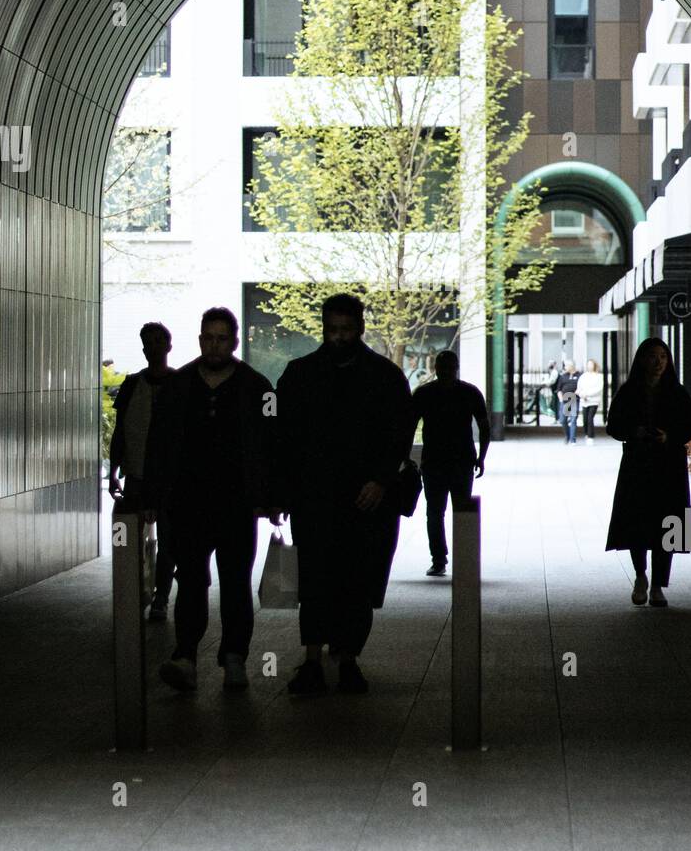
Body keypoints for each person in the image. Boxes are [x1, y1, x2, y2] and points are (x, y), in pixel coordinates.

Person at [275, 294, 414, 695]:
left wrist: (381, 478)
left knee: (347, 580)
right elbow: (285, 437)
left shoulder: (302, 374)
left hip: (330, 495)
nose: (338, 338)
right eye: (333, 330)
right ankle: (332, 659)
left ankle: (328, 659)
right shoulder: (383, 376)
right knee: (327, 579)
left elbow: (399, 434)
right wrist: (380, 479)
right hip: (339, 497)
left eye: (345, 331)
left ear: (359, 329)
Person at [143, 306, 279, 693]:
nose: (214, 344)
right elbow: (159, 443)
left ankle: (233, 657)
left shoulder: (256, 387)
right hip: (187, 503)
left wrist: (270, 497)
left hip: (236, 505)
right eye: (208, 337)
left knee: (235, 583)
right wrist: (153, 495)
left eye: (221, 338)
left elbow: (270, 445)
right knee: (190, 581)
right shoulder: (179, 386)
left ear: (234, 342)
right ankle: (186, 653)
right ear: (200, 339)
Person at [605, 338, 691, 608]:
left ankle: (658, 584)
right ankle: (640, 576)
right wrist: (634, 432)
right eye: (653, 357)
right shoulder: (628, 391)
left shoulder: (677, 393)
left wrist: (668, 436)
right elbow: (614, 426)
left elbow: (690, 428)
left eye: (663, 357)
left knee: (668, 524)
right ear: (642, 360)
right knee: (637, 522)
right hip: (638, 464)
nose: (658, 363)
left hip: (668, 466)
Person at [108, 322, 175, 620]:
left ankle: (159, 596)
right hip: (137, 474)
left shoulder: (178, 384)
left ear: (168, 346)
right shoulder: (133, 385)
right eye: (148, 343)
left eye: (158, 342)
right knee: (140, 540)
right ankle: (145, 592)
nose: (153, 348)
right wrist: (114, 470)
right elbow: (121, 431)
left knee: (168, 541)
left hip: (167, 477)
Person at [411, 350, 490, 576]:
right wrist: (481, 457)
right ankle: (460, 559)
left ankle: (439, 560)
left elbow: (408, 427)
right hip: (461, 460)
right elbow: (484, 427)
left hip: (435, 461)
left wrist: (406, 459)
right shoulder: (469, 392)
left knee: (435, 512)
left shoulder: (425, 393)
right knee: (461, 511)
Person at [554, 361, 580, 444]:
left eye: (566, 366)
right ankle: (567, 435)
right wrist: (560, 398)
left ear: (571, 366)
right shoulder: (563, 376)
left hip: (573, 399)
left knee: (573, 420)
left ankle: (572, 439)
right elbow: (559, 389)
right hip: (564, 399)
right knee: (563, 420)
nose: (565, 367)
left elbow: (582, 386)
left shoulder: (579, 376)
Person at [577, 358, 601, 442]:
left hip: (594, 401)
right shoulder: (584, 376)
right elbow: (579, 387)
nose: (589, 366)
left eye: (591, 364)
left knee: (590, 418)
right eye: (588, 364)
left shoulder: (598, 376)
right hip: (584, 401)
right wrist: (581, 394)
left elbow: (598, 388)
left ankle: (591, 436)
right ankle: (586, 433)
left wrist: (588, 394)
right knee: (585, 419)